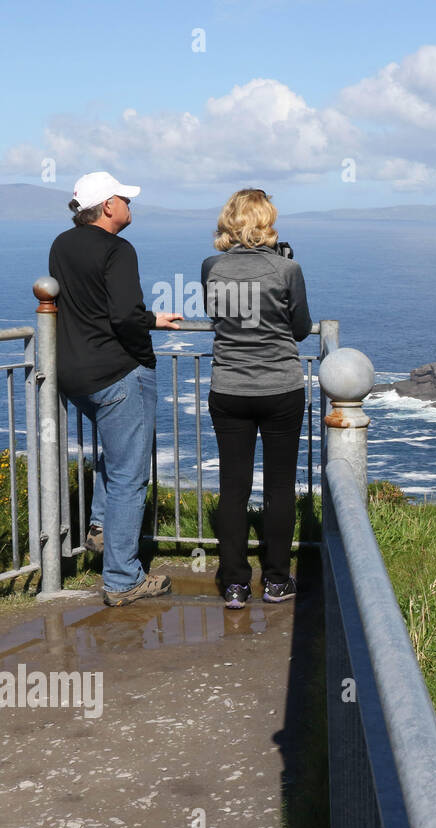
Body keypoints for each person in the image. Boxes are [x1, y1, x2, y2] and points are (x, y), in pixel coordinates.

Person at [49, 171, 181, 606]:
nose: (130, 205)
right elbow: (124, 315)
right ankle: (123, 580)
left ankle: (102, 529)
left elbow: (91, 307)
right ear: (108, 206)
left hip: (74, 375)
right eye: (125, 199)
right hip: (116, 373)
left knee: (117, 456)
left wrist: (147, 319)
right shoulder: (119, 250)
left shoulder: (61, 245)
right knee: (130, 474)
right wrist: (145, 348)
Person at [202, 189, 310, 609]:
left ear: (228, 222)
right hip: (280, 387)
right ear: (266, 222)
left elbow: (219, 315)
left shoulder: (211, 266)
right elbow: (300, 328)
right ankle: (278, 580)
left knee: (233, 487)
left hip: (228, 387)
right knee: (279, 487)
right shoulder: (288, 269)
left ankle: (235, 584)